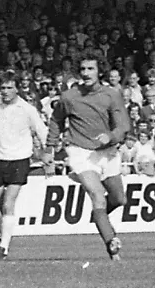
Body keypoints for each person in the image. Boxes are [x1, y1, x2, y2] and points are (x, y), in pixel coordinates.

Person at [53, 56, 131, 261]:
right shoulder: (69, 97)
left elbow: (123, 125)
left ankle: (99, 216)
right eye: (83, 69)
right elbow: (56, 120)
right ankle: (111, 243)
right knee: (97, 195)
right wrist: (49, 147)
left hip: (107, 152)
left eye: (90, 68)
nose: (86, 73)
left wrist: (111, 136)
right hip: (80, 152)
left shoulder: (111, 95)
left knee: (119, 199)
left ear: (99, 71)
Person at [0, 71, 48, 259]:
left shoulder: (27, 109)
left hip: (19, 160)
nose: (5, 91)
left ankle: (4, 248)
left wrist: (49, 155)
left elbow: (42, 131)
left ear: (17, 89)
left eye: (9, 88)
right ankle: (5, 235)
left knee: (8, 203)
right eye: (3, 88)